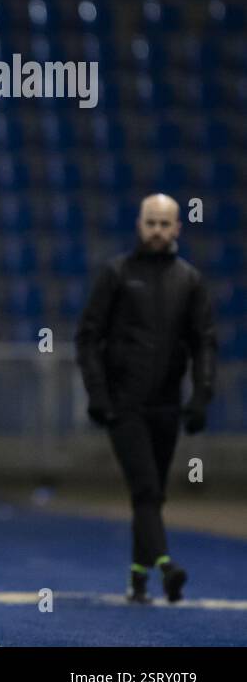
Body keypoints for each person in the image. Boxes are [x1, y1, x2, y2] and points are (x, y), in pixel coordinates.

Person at [75, 193, 216, 604]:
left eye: (164, 223)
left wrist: (201, 396)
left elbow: (204, 342)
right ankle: (168, 568)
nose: (156, 230)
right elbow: (88, 338)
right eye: (150, 222)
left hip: (166, 405)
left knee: (152, 492)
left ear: (177, 228)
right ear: (139, 225)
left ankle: (138, 578)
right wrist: (98, 395)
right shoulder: (116, 274)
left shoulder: (189, 280)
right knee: (147, 491)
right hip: (124, 404)